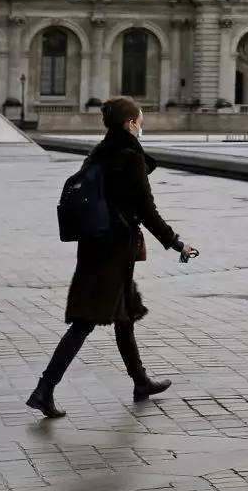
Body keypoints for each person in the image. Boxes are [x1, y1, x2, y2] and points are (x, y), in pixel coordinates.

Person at [27, 97, 199, 419]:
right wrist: (177, 243)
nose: (142, 124)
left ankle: (140, 382)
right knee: (85, 322)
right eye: (140, 119)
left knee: (124, 317)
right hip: (113, 249)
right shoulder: (129, 156)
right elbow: (147, 210)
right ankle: (44, 389)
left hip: (95, 243)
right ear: (129, 124)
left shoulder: (99, 152)